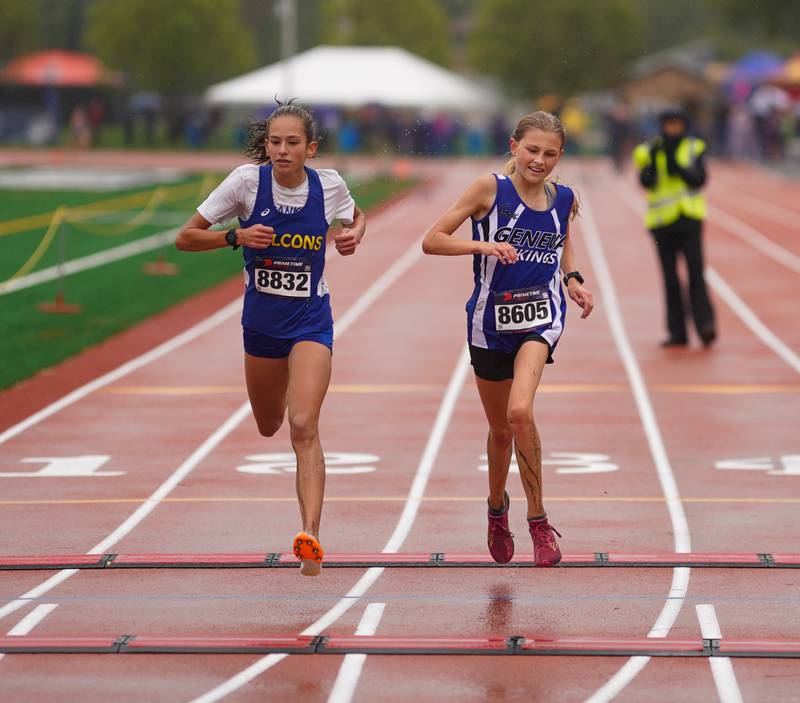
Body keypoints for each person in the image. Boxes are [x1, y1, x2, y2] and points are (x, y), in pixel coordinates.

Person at [176, 102, 366, 576]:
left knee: (303, 424)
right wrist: (235, 238)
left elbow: (356, 217)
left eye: (293, 142)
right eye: (275, 142)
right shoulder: (245, 182)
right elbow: (185, 237)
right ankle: (282, 403)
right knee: (268, 424)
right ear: (266, 145)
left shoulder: (329, 185)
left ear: (311, 148)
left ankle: (311, 537)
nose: (282, 150)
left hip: (310, 322)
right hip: (261, 326)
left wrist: (352, 235)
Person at [421, 111, 594, 566]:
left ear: (561, 156)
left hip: (541, 316)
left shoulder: (564, 197)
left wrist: (573, 279)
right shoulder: (488, 189)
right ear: (513, 145)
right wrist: (483, 246)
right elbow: (432, 240)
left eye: (550, 153)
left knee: (520, 412)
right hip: (489, 323)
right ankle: (497, 510)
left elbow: (562, 242)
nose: (539, 160)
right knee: (499, 431)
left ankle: (539, 522)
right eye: (532, 150)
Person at [633, 107, 716, 347]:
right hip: (661, 223)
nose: (673, 128)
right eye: (668, 124)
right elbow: (646, 182)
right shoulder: (648, 150)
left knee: (696, 274)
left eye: (677, 123)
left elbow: (699, 180)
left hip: (689, 218)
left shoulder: (694, 147)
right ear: (661, 125)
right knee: (670, 278)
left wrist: (676, 165)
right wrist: (656, 161)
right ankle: (677, 332)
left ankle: (706, 326)